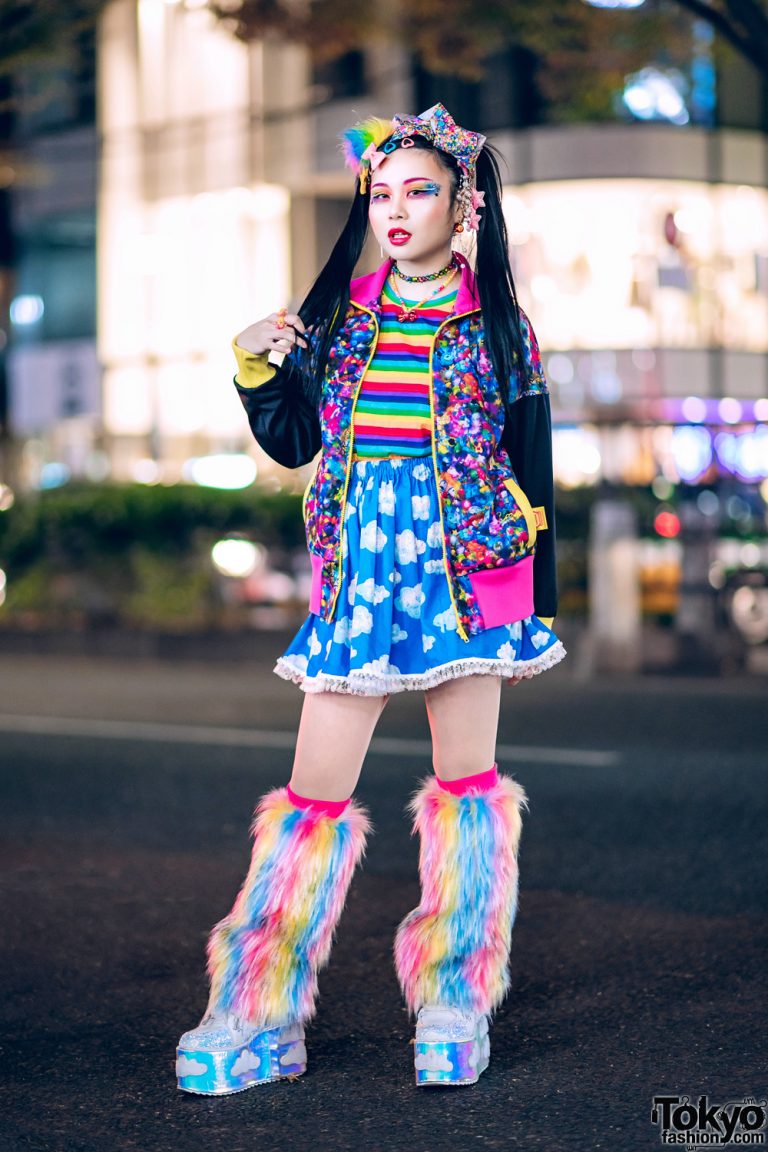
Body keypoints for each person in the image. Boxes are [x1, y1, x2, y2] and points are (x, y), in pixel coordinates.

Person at [176, 103, 566, 1094]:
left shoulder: (499, 325)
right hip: (356, 577)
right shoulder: (343, 320)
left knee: (468, 793)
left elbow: (534, 468)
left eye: (419, 190)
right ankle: (256, 1005)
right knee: (310, 798)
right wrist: (253, 362)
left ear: (463, 203)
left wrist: (536, 599)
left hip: (465, 577)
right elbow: (297, 441)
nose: (396, 210)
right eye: (381, 193)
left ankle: (455, 994)